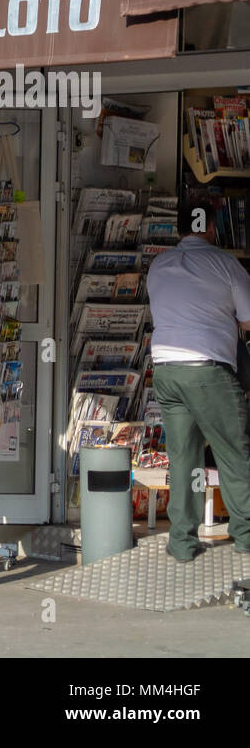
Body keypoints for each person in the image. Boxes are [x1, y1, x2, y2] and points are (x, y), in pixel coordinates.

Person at [147, 201, 250, 561]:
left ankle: (182, 541)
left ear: (179, 230)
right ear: (212, 229)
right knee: (234, 451)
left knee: (184, 457)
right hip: (207, 371)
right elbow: (249, 319)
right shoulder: (226, 264)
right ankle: (247, 534)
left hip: (166, 370)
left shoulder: (159, 265)